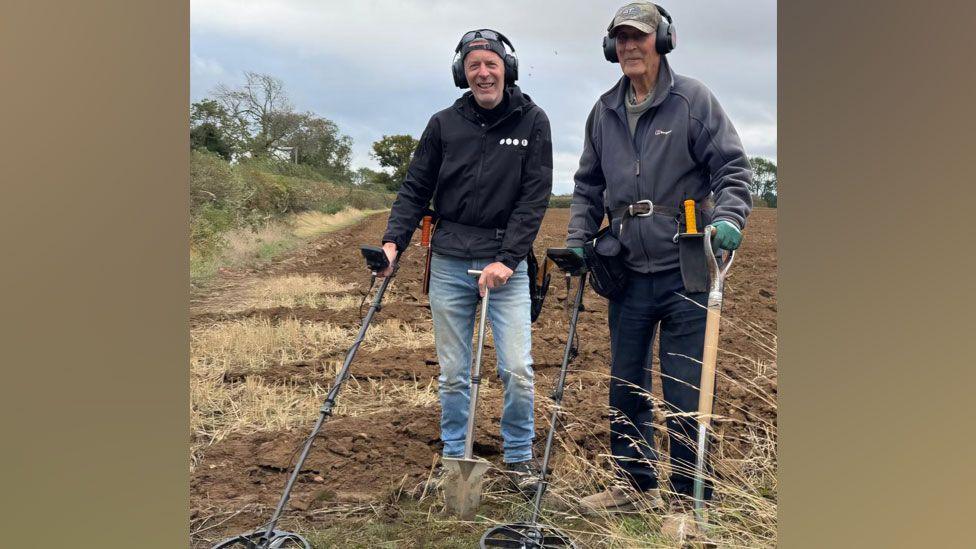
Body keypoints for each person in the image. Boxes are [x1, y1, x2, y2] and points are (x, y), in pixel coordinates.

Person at [565, 2, 753, 538]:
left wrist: (730, 218)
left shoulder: (692, 101)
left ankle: (689, 499)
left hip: (686, 265)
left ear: (662, 41)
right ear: (611, 47)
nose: (630, 46)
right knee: (625, 382)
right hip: (626, 271)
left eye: (639, 37)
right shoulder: (603, 111)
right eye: (621, 38)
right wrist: (578, 241)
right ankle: (633, 483)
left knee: (684, 386)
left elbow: (733, 169)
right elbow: (587, 186)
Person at [378, 29, 553, 496]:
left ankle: (519, 459)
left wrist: (508, 259)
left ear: (507, 69)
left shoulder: (533, 122)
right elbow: (415, 189)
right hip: (450, 262)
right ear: (462, 73)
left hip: (505, 266)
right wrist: (393, 243)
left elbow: (534, 198)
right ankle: (455, 458)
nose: (483, 73)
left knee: (517, 369)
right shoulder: (443, 124)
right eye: (474, 65)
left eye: (491, 64)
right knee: (454, 374)